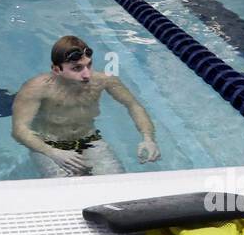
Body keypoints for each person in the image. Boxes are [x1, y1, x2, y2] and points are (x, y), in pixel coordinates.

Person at [12, 35, 160, 177]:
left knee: (115, 184)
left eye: (88, 65)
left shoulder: (104, 80)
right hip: (50, 145)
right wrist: (52, 152)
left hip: (89, 140)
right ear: (56, 69)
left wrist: (148, 139)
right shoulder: (36, 88)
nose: (87, 74)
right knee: (68, 191)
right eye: (77, 68)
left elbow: (134, 105)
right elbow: (19, 130)